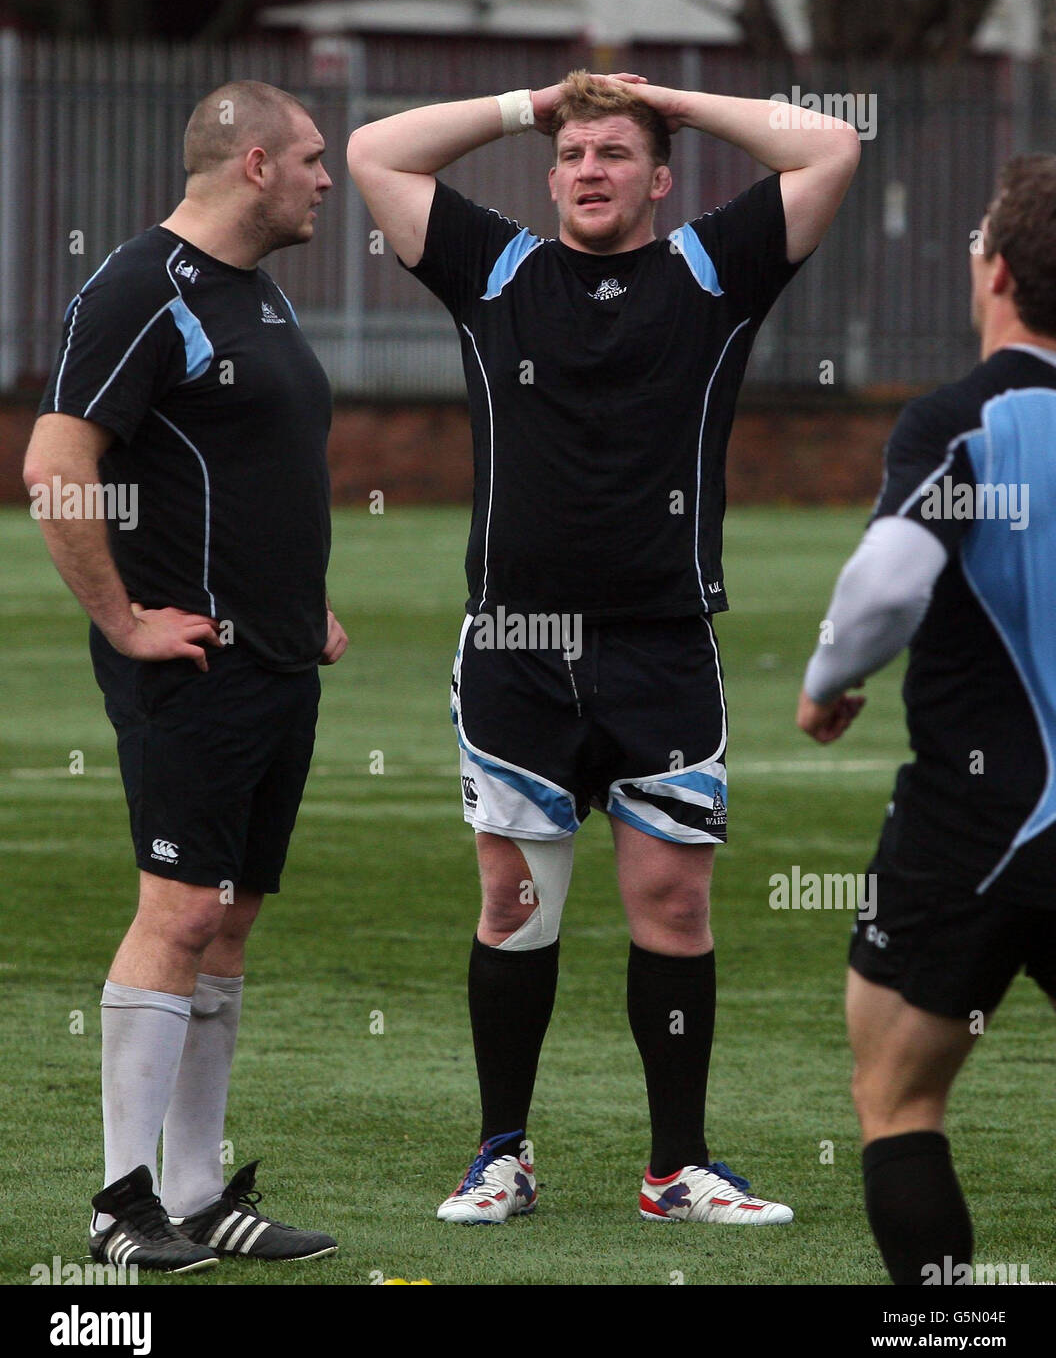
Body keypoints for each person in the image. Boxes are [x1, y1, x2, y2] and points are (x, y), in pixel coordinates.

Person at [347, 69, 859, 1225]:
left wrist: (663, 92)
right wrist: (537, 101)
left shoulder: (711, 270)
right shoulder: (498, 269)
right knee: (515, 902)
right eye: (574, 154)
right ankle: (501, 1156)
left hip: (663, 644)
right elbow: (380, 148)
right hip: (517, 647)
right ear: (549, 172)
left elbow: (827, 149)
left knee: (674, 907)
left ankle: (677, 1167)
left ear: (660, 177)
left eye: (617, 153)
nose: (591, 170)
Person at [24, 80, 347, 1273]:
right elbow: (57, 460)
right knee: (177, 914)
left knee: (230, 916)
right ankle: (120, 1204)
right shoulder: (135, 286)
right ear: (253, 162)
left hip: (274, 660)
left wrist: (301, 601)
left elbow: (248, 463)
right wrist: (122, 619)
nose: (329, 178)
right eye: (313, 158)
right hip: (191, 670)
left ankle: (202, 1193)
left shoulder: (256, 293)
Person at [797, 154, 1056, 1284]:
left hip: (978, 819)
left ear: (995, 270)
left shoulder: (962, 420)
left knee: (899, 1097)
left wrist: (829, 676)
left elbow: (889, 582)